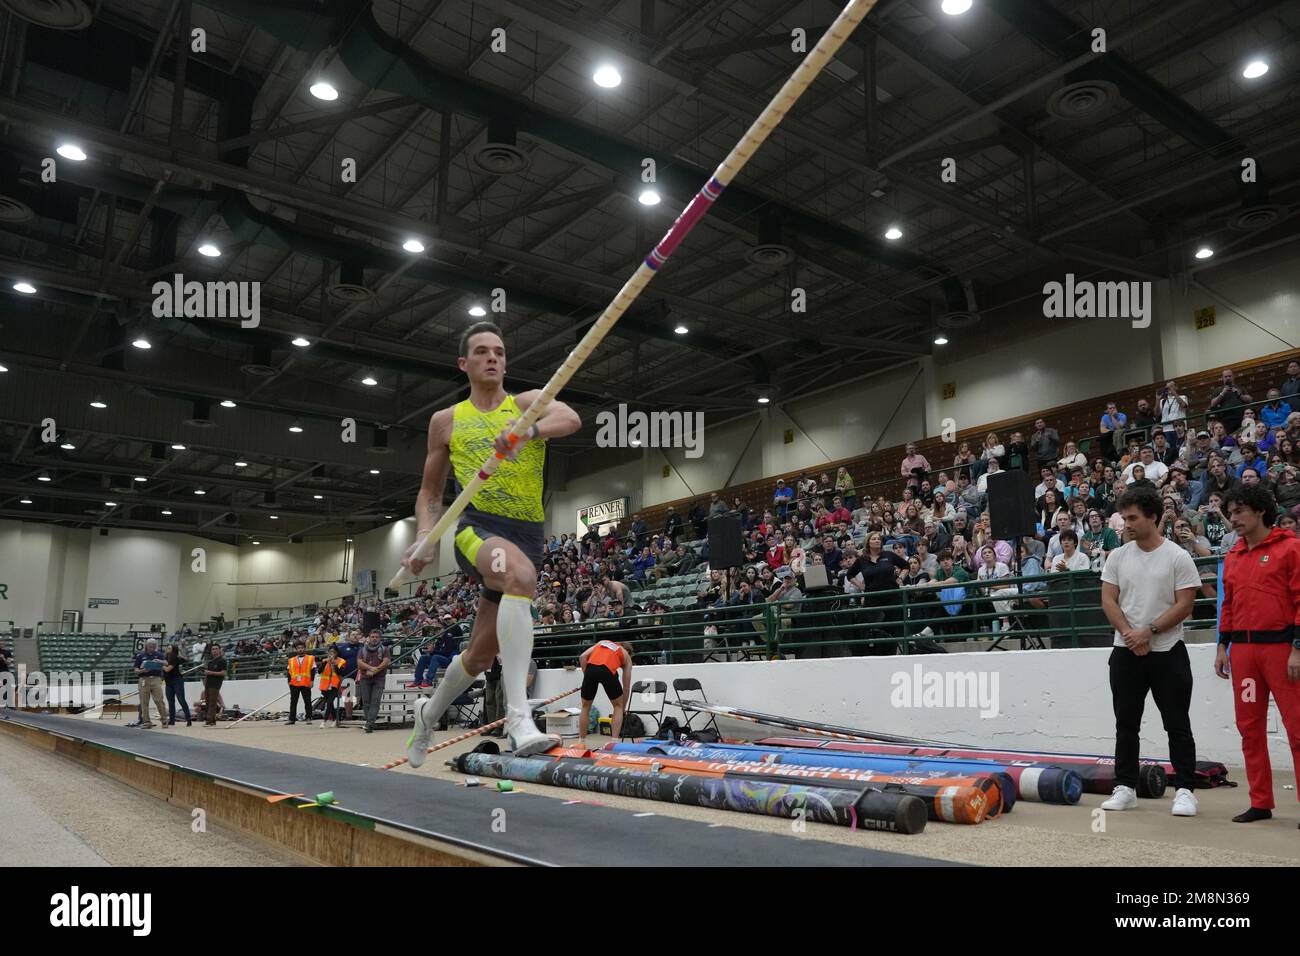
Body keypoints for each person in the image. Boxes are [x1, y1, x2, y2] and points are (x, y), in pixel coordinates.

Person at [402, 321, 582, 766]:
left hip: (527, 532)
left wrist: (528, 433)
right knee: (518, 574)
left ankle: (429, 712)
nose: (493, 358)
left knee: (480, 654)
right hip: (476, 526)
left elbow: (571, 418)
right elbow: (430, 493)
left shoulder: (525, 405)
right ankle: (519, 717)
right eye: (482, 352)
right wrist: (425, 536)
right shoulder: (446, 421)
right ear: (464, 363)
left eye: (499, 352)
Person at [1099, 487, 1202, 816]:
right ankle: (1126, 786)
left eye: (1133, 517)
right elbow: (1108, 599)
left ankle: (1185, 789)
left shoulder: (1177, 556)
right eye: (1124, 517)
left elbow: (1186, 604)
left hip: (1167, 650)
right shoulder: (1117, 556)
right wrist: (1130, 634)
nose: (1127, 524)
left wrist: (1149, 631)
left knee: (1177, 723)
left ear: (1153, 517)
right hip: (1125, 650)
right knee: (1126, 723)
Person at [1214, 486, 1300, 825]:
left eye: (1239, 512)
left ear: (1260, 511)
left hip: (1281, 650)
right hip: (1245, 653)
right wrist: (1223, 645)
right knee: (1249, 728)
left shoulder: (1290, 548)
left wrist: (1297, 648)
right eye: (1231, 512)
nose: (1233, 519)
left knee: (1297, 729)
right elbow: (1229, 604)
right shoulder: (1234, 555)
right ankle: (1260, 801)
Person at [577, 639, 632, 747]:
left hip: (590, 669)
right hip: (607, 671)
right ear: (629, 651)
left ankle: (581, 743)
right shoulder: (626, 655)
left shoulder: (602, 642)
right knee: (617, 706)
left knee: (585, 706)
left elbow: (582, 657)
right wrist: (622, 709)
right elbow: (626, 688)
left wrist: (587, 677)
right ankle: (614, 743)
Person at [355, 629, 390, 733]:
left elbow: (386, 662)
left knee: (375, 701)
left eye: (376, 637)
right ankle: (369, 723)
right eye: (372, 637)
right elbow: (359, 662)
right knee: (366, 702)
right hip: (365, 678)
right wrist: (371, 668)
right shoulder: (362, 650)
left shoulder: (385, 649)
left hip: (379, 679)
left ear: (380, 638)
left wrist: (375, 671)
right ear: (369, 638)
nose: (374, 639)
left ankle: (369, 724)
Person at [133, 639, 168, 729]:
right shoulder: (140, 655)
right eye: (150, 646)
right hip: (144, 679)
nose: (152, 648)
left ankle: (164, 720)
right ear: (146, 646)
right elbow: (136, 670)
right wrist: (142, 670)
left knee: (159, 700)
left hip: (156, 679)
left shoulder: (159, 654)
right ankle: (147, 722)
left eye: (154, 646)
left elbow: (166, 663)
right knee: (144, 702)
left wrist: (159, 661)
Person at [285, 639, 315, 725]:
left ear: (305, 648)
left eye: (302, 648)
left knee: (307, 701)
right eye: (298, 648)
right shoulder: (291, 660)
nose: (300, 649)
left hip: (306, 683)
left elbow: (313, 670)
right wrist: (289, 681)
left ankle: (308, 718)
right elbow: (289, 671)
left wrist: (312, 681)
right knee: (293, 702)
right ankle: (292, 719)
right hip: (294, 683)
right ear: (296, 649)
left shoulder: (310, 658)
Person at [162, 643, 191, 727]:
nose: (167, 649)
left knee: (181, 699)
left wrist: (160, 665)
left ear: (173, 650)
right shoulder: (166, 658)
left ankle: (188, 719)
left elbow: (167, 669)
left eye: (169, 648)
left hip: (177, 680)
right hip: (169, 681)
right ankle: (171, 720)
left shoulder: (174, 658)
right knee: (170, 701)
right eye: (167, 648)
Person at [202, 643, 228, 726]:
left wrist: (210, 672)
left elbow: (223, 673)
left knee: (212, 703)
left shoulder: (222, 661)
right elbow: (207, 674)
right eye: (213, 649)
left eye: (216, 648)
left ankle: (210, 721)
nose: (214, 650)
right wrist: (205, 683)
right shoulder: (210, 662)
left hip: (216, 684)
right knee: (208, 702)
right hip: (208, 684)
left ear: (219, 650)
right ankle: (210, 720)